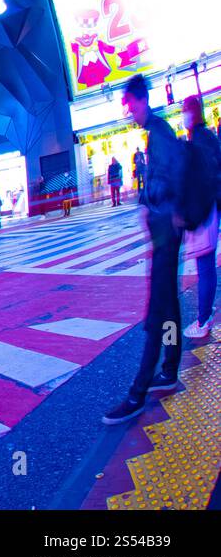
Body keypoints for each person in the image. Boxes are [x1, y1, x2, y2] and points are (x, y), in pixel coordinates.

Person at [103, 74, 186, 425]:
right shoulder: (158, 132)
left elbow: (171, 179)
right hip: (165, 228)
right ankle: (168, 368)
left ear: (140, 101)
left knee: (156, 310)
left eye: (129, 105)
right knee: (167, 305)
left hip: (166, 230)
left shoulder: (161, 135)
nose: (128, 111)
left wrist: (153, 205)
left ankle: (137, 393)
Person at [182, 95, 218, 339]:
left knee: (204, 266)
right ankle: (206, 313)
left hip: (205, 210)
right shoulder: (207, 136)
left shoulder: (199, 139)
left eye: (185, 110)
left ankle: (203, 320)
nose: (183, 115)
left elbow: (202, 178)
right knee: (207, 266)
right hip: (211, 206)